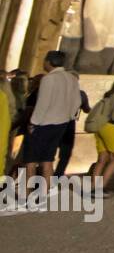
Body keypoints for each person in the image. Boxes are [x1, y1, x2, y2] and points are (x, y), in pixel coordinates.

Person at [22, 51, 81, 198]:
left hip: (43, 124)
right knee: (48, 159)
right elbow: (77, 102)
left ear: (49, 62)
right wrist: (68, 116)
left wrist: (33, 122)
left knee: (30, 161)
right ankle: (44, 193)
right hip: (61, 124)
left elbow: (42, 104)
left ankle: (27, 193)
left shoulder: (49, 79)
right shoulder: (72, 78)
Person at [54, 84, 91, 177]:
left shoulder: (58, 92)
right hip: (69, 123)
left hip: (55, 122)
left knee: (50, 151)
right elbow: (86, 109)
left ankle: (45, 172)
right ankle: (58, 174)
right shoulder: (80, 94)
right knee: (65, 152)